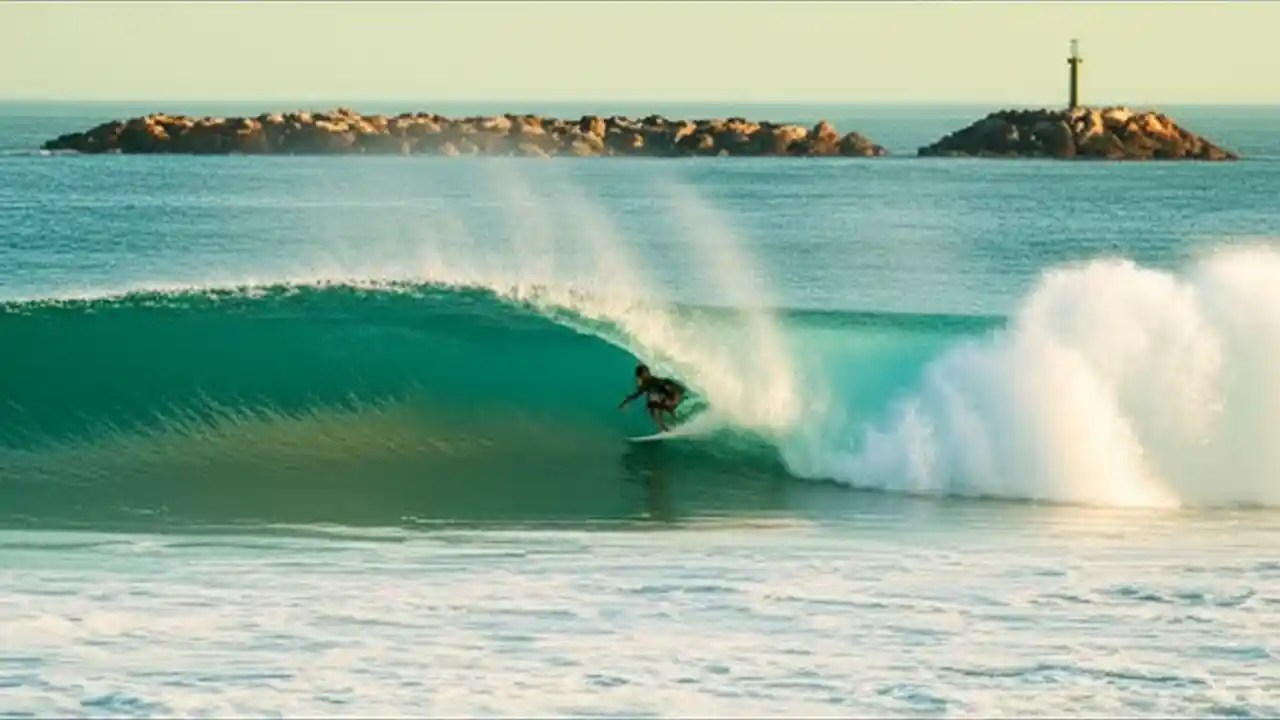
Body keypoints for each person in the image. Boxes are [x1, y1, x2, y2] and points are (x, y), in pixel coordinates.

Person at [618, 364, 685, 432]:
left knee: (655, 403)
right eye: (645, 372)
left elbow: (670, 386)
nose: (648, 373)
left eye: (647, 371)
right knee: (652, 406)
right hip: (662, 400)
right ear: (641, 375)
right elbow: (636, 394)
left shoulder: (654, 380)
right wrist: (624, 403)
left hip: (668, 399)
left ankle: (674, 425)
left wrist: (675, 398)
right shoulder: (645, 384)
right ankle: (666, 428)